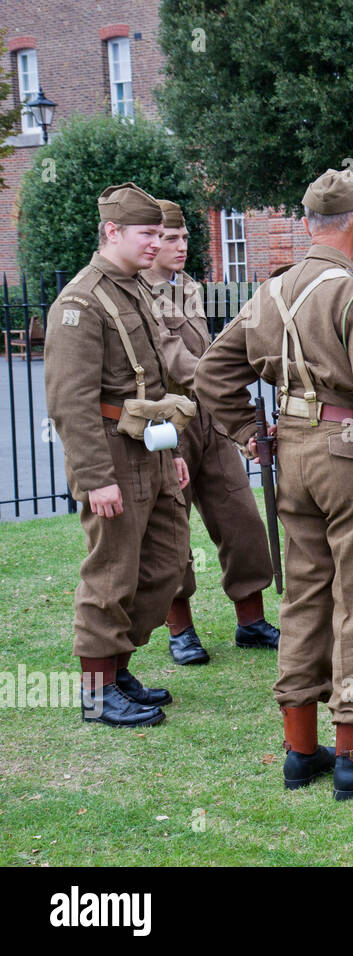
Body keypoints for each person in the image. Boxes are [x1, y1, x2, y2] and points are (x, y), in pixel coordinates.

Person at [195, 169, 353, 799]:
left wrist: (252, 434)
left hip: (292, 455)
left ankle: (300, 750)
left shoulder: (270, 294)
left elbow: (212, 373)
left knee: (303, 598)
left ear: (309, 225)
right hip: (350, 458)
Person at [45, 183, 190, 727]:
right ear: (112, 232)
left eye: (159, 233)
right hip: (109, 453)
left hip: (149, 447)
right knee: (111, 571)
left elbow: (150, 384)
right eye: (146, 234)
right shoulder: (81, 302)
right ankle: (96, 690)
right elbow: (70, 400)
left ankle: (116, 666)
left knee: (165, 565)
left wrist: (169, 449)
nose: (156, 243)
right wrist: (94, 477)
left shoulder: (132, 290)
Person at [141, 198, 279, 665]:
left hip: (209, 419)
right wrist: (221, 377)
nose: (181, 246)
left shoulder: (189, 288)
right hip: (167, 425)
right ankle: (180, 629)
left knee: (241, 519)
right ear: (150, 241)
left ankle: (251, 622)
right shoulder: (137, 294)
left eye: (184, 238)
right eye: (170, 238)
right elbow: (174, 359)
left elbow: (211, 352)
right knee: (170, 530)